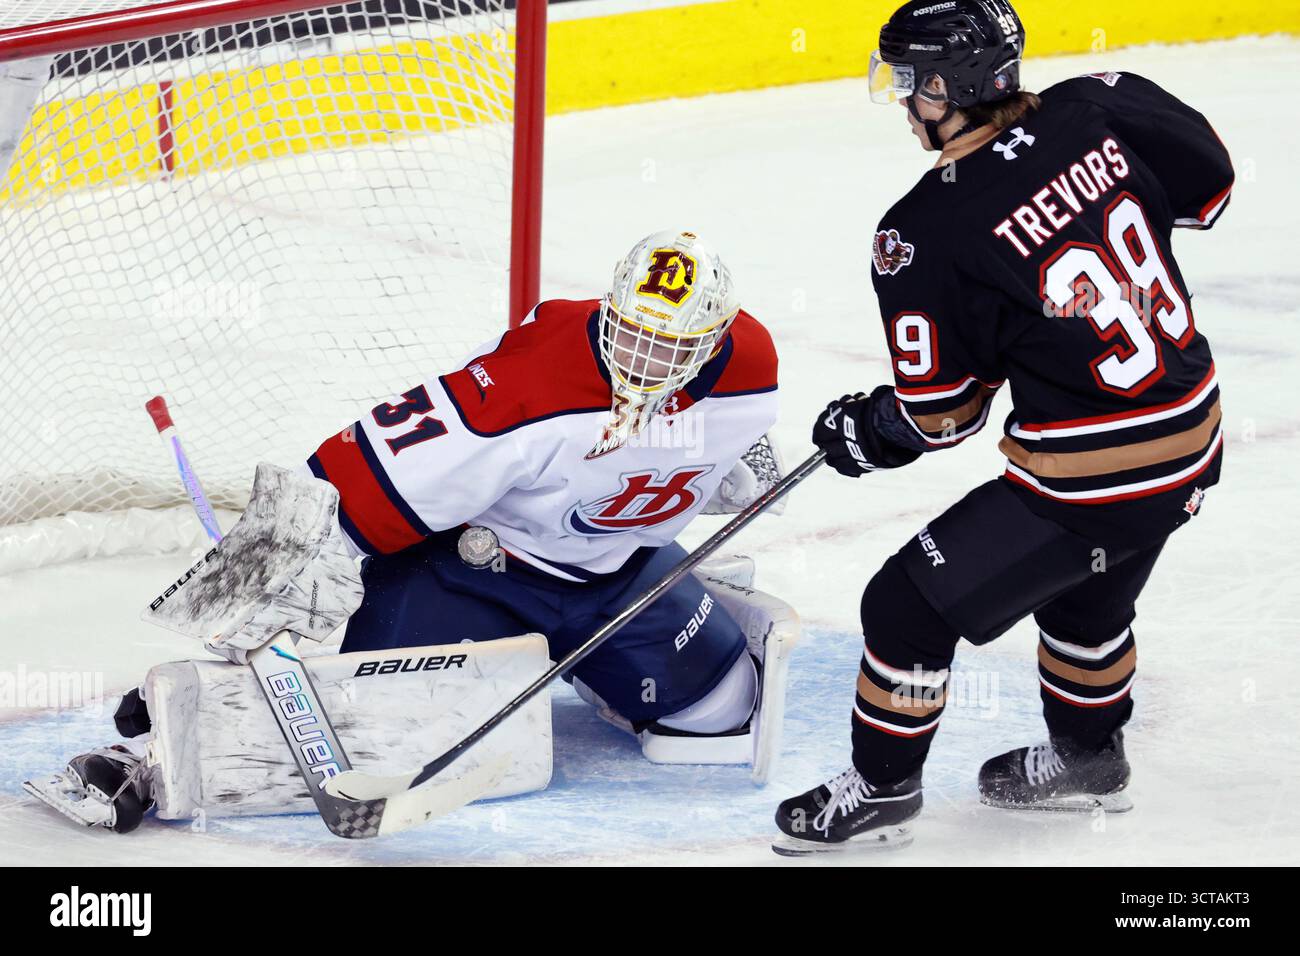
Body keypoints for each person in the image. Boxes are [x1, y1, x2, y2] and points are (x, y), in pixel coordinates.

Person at [31, 231, 793, 833]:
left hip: (615, 574)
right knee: (385, 741)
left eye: (667, 348)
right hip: (474, 574)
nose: (640, 361)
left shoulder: (751, 365)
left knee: (719, 715)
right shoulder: (528, 392)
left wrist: (731, 471)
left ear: (716, 338)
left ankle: (585, 671)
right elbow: (350, 484)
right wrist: (253, 596)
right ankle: (138, 758)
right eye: (627, 335)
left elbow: (734, 444)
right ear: (609, 308)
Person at [773, 0, 1232, 855]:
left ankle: (881, 791)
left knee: (904, 607)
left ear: (944, 89)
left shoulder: (923, 230)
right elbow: (1209, 187)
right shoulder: (1099, 104)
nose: (905, 103)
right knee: (1087, 606)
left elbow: (943, 415)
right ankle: (1090, 761)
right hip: (1193, 434)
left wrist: (868, 429)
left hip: (1092, 477)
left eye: (910, 84)